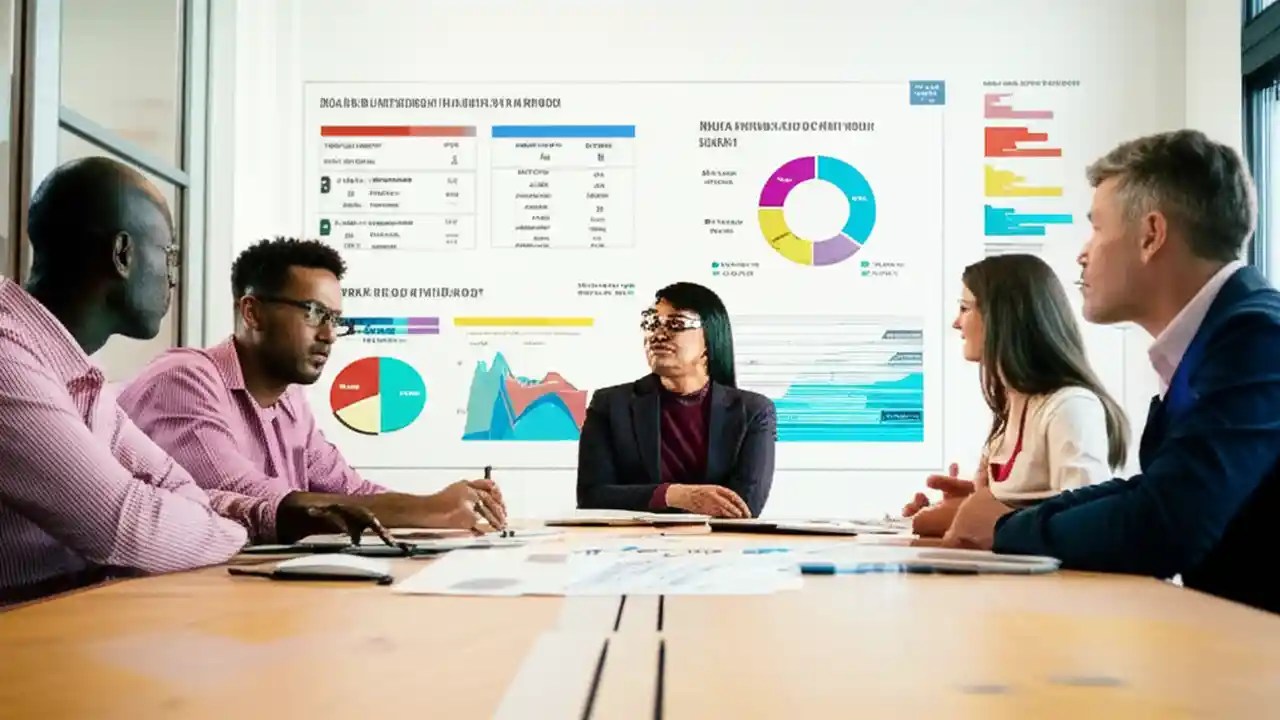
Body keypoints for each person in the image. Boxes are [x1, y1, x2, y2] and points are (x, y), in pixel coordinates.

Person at [0, 158, 389, 604]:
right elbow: (125, 524)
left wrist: (268, 517)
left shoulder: (76, 374)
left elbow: (180, 487)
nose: (173, 278)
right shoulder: (8, 354)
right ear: (123, 255)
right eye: (169, 255)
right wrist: (241, 528)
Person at [943, 129, 1280, 614]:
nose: (1083, 252)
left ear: (1151, 235)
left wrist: (1002, 528)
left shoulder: (1256, 338)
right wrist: (1001, 514)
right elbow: (1150, 490)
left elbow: (1165, 525)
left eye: (1097, 228)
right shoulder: (1219, 337)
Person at [118, 237, 507, 532]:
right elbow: (247, 496)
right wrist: (428, 510)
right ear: (252, 312)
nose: (329, 335)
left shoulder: (289, 399)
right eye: (314, 313)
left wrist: (441, 504)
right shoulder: (186, 380)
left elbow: (351, 492)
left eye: (335, 319)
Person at [902, 254, 1129, 536]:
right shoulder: (1010, 410)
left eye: (964, 308)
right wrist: (966, 505)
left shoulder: (1070, 407)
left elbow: (1086, 525)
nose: (956, 323)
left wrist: (975, 517)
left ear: (1003, 318)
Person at [576, 282, 776, 518]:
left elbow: (743, 507)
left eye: (676, 324)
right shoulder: (610, 405)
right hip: (633, 546)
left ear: (709, 337)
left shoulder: (753, 411)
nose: (657, 335)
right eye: (651, 324)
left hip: (720, 546)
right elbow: (591, 497)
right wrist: (674, 495)